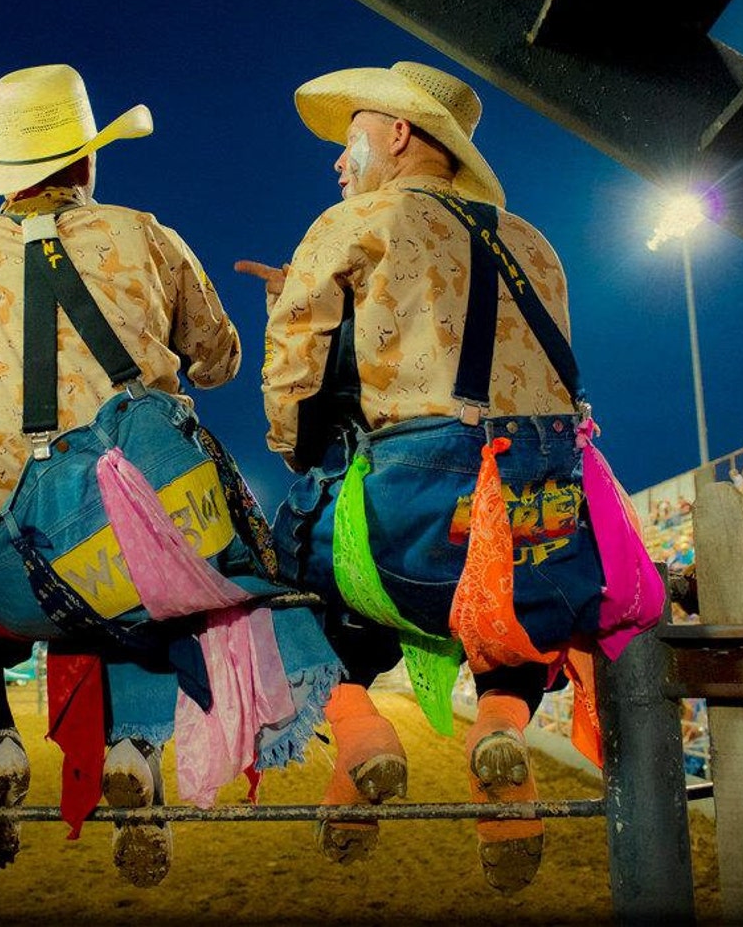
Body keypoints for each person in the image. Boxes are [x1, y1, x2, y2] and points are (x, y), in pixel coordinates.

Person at [237, 61, 597, 894]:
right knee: (515, 620)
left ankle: (361, 737)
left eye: (351, 137)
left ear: (398, 134)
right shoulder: (534, 242)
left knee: (288, 595)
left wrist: (293, 443)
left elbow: (293, 371)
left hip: (418, 493)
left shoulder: (357, 218)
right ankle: (500, 725)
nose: (339, 160)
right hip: (542, 497)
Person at [0, 64, 244, 885]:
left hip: (4, 576)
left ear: (5, 172)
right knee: (156, 586)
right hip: (129, 555)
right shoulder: (145, 235)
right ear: (88, 159)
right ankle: (136, 750)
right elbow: (219, 360)